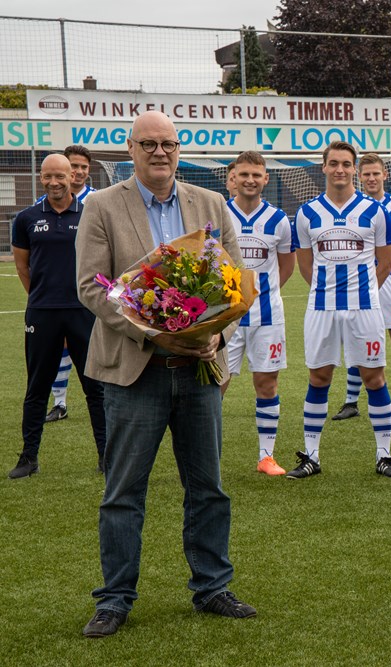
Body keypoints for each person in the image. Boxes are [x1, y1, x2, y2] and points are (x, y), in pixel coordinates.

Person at [76, 111, 255, 638]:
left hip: (199, 370)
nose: (160, 152)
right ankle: (114, 599)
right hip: (136, 371)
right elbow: (92, 286)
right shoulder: (102, 206)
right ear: (130, 150)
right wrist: (153, 334)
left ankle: (212, 587)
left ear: (180, 150)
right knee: (123, 491)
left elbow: (234, 282)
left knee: (208, 487)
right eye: (148, 144)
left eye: (168, 144)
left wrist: (215, 334)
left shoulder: (211, 204)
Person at [289, 141, 391, 479]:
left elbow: (386, 260)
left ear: (354, 169)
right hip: (321, 309)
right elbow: (305, 265)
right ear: (323, 167)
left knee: (374, 377)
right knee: (318, 377)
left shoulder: (375, 211)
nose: (340, 169)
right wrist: (327, 291)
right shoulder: (307, 213)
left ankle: (384, 455)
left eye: (346, 164)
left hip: (364, 309)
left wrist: (362, 292)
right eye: (333, 163)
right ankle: (311, 456)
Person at [9, 154, 106, 479]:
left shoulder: (92, 214)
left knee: (96, 388)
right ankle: (28, 458)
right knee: (37, 387)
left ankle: (107, 457)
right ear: (41, 177)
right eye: (47, 176)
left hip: (84, 312)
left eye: (60, 176)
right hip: (43, 313)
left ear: (72, 177)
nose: (54, 182)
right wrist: (41, 298)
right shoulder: (26, 218)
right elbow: (23, 266)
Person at [330, 153, 391, 422]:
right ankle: (351, 402)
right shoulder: (352, 207)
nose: (371, 178)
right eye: (366, 174)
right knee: (356, 340)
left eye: (376, 173)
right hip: (358, 282)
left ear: (385, 175)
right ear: (359, 177)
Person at [220, 150, 295, 476]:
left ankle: (266, 456)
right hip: (224, 319)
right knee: (215, 386)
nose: (250, 180)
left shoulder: (279, 219)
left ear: (265, 179)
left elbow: (286, 265)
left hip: (267, 316)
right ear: (233, 178)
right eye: (244, 174)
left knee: (267, 384)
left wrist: (262, 292)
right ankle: (206, 457)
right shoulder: (220, 214)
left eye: (256, 174)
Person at [44, 145, 97, 424]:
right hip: (59, 288)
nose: (78, 172)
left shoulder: (99, 200)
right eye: (74, 166)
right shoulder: (48, 202)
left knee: (93, 345)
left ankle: (102, 400)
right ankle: (60, 402)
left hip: (92, 287)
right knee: (60, 344)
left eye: (83, 167)